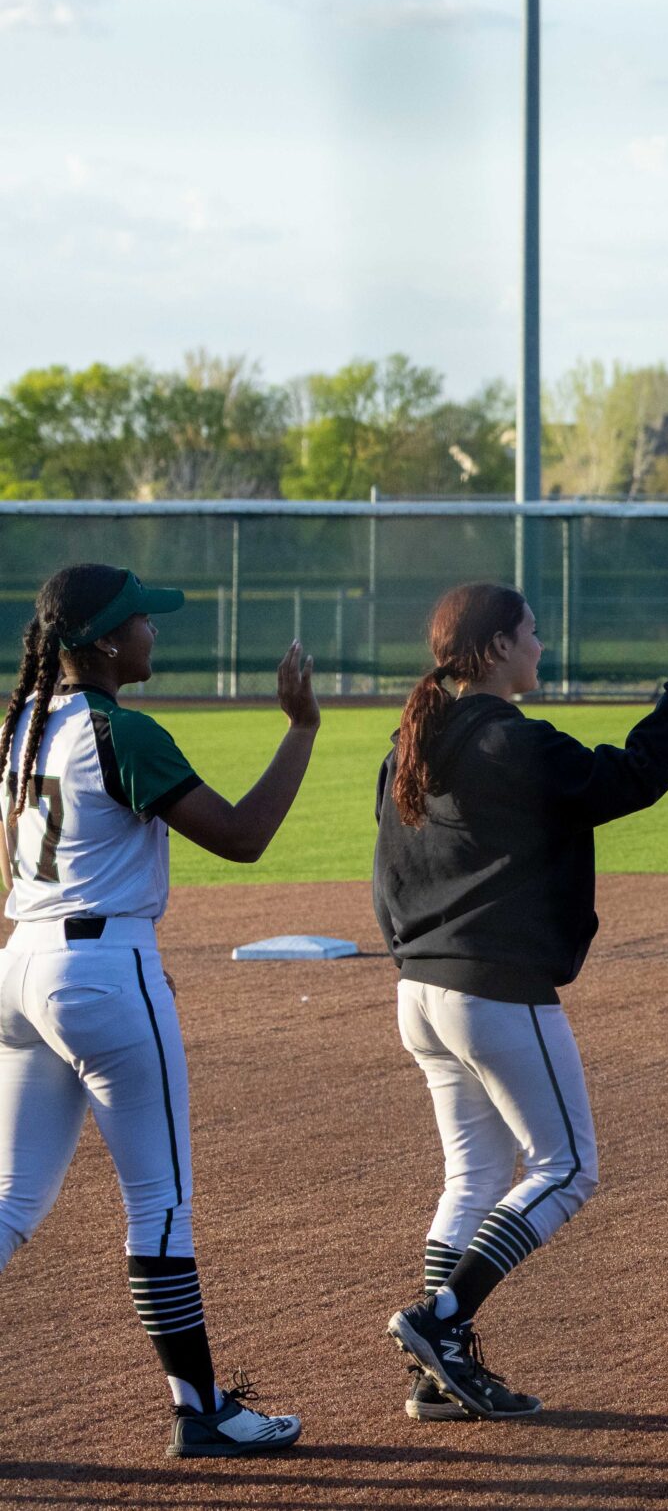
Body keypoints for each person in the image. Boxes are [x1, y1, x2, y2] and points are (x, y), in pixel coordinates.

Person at [380, 582, 668, 1420]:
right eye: (530, 634)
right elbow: (633, 777)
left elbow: (388, 878)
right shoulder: (510, 742)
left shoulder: (409, 746)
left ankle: (438, 1370)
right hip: (492, 991)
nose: (541, 647)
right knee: (567, 1169)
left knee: (476, 1175)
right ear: (495, 650)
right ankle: (442, 1317)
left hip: (420, 990)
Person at [0, 564, 316, 1458]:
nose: (152, 633)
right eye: (141, 621)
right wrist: (300, 730)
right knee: (160, 1206)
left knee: (12, 1199)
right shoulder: (120, 731)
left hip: (22, 962)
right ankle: (202, 1411)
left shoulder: (20, 724)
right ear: (103, 642)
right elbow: (246, 837)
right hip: (100, 969)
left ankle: (203, 1405)